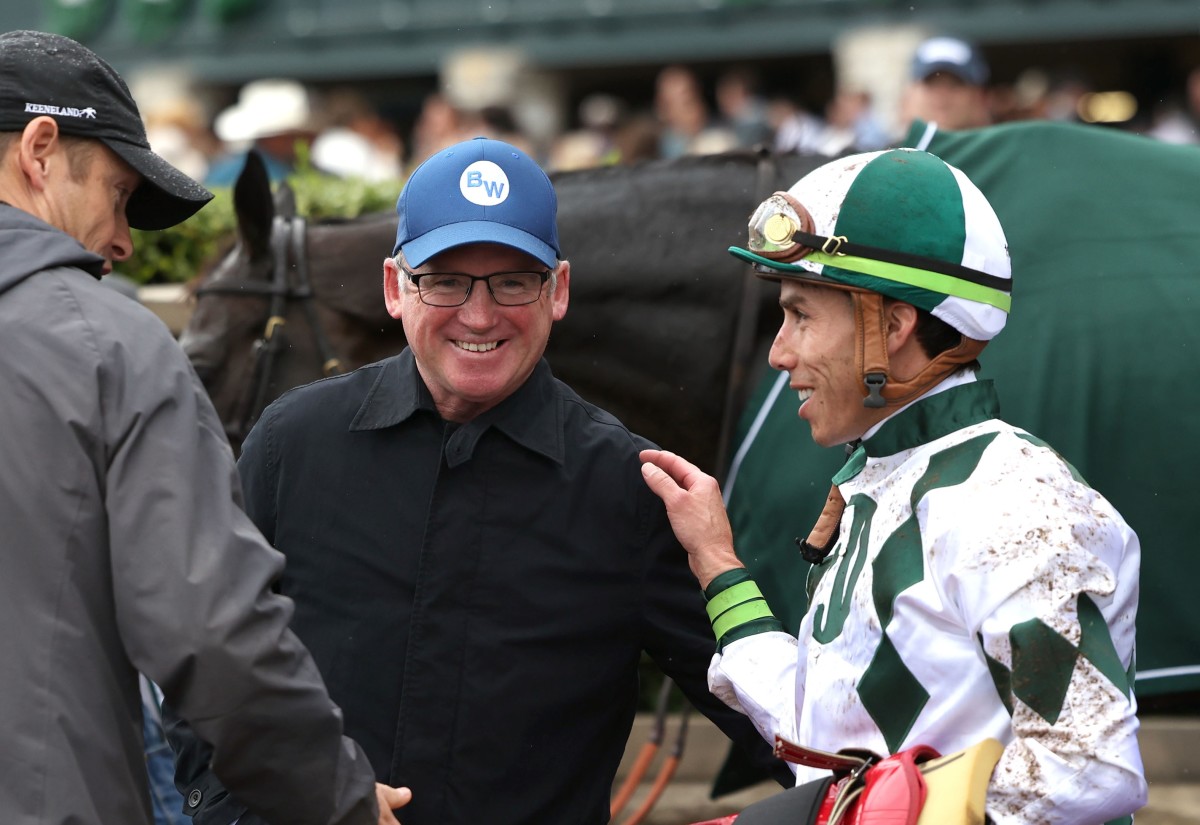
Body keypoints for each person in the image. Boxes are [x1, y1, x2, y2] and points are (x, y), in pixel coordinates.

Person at [167, 135, 789, 824]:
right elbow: (205, 665)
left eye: (513, 281)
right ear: (394, 289)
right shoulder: (292, 444)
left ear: (559, 293)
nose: (480, 314)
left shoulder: (629, 490)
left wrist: (727, 571)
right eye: (446, 280)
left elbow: (785, 733)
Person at [640, 148, 1147, 823]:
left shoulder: (1017, 497)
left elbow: (1090, 768)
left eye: (801, 316)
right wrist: (716, 562)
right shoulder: (886, 476)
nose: (779, 353)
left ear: (894, 325)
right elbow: (824, 739)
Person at [0, 29, 408, 825]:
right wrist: (342, 801)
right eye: (118, 196)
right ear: (40, 149)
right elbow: (215, 637)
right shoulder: (107, 343)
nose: (122, 241)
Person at [900, 35, 992, 132]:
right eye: (931, 84)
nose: (942, 96)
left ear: (979, 97)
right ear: (908, 97)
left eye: (954, 85)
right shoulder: (887, 147)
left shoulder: (999, 147)